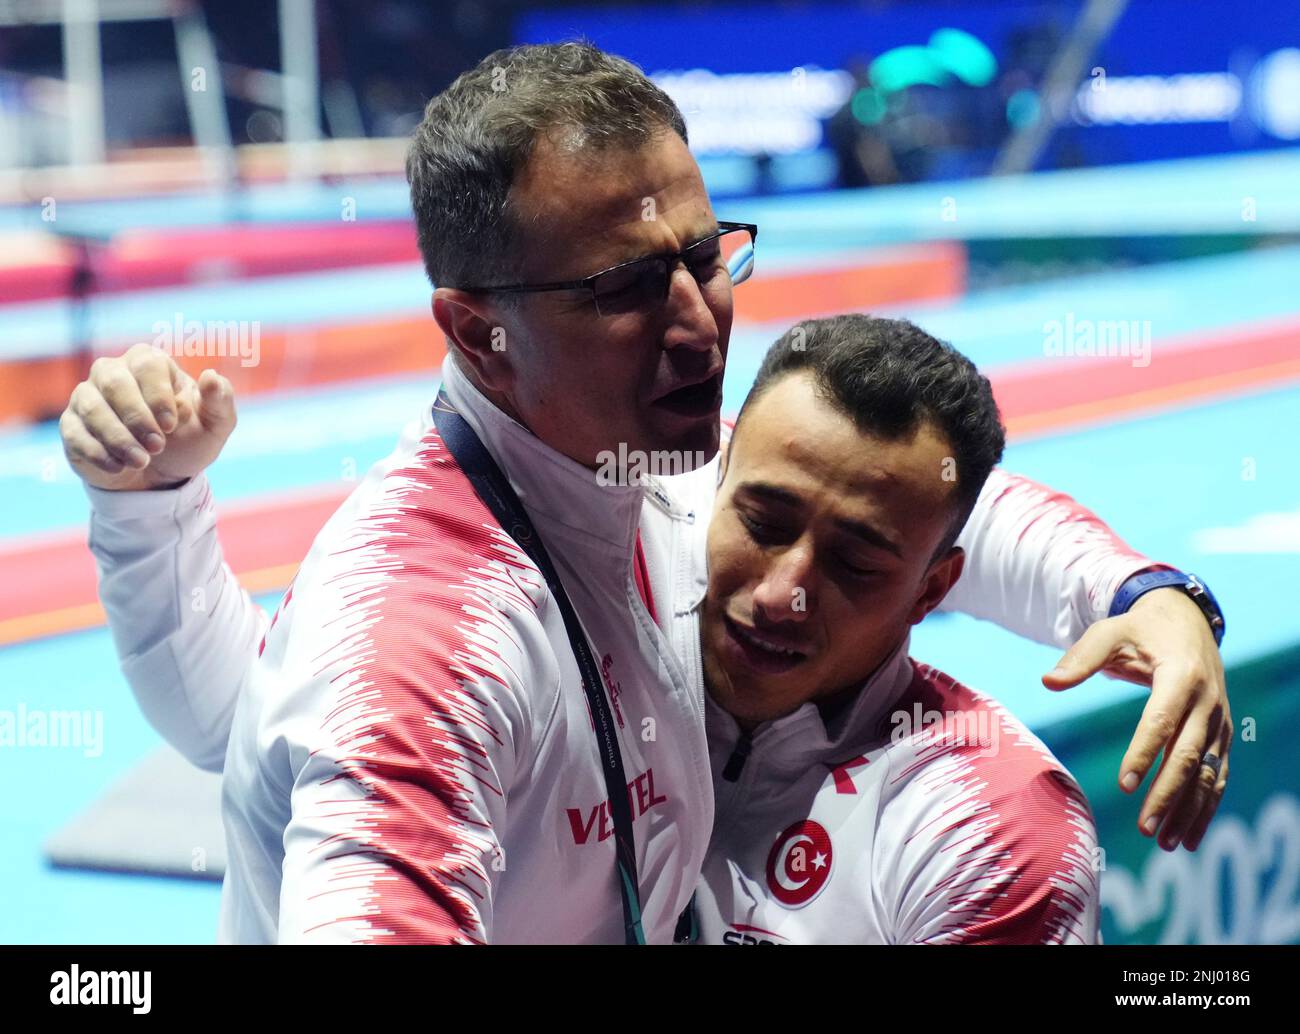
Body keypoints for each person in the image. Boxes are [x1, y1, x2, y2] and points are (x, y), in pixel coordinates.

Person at [59, 43, 1230, 944]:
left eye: (705, 253)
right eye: (625, 287)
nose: (698, 322)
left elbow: (923, 504)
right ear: (480, 330)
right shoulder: (430, 637)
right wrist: (145, 517)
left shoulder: (639, 458)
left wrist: (1147, 593)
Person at [695, 315, 1099, 944]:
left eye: (853, 563)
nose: (781, 597)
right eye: (762, 525)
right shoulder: (586, 640)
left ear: (931, 591)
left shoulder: (985, 825)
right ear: (711, 488)